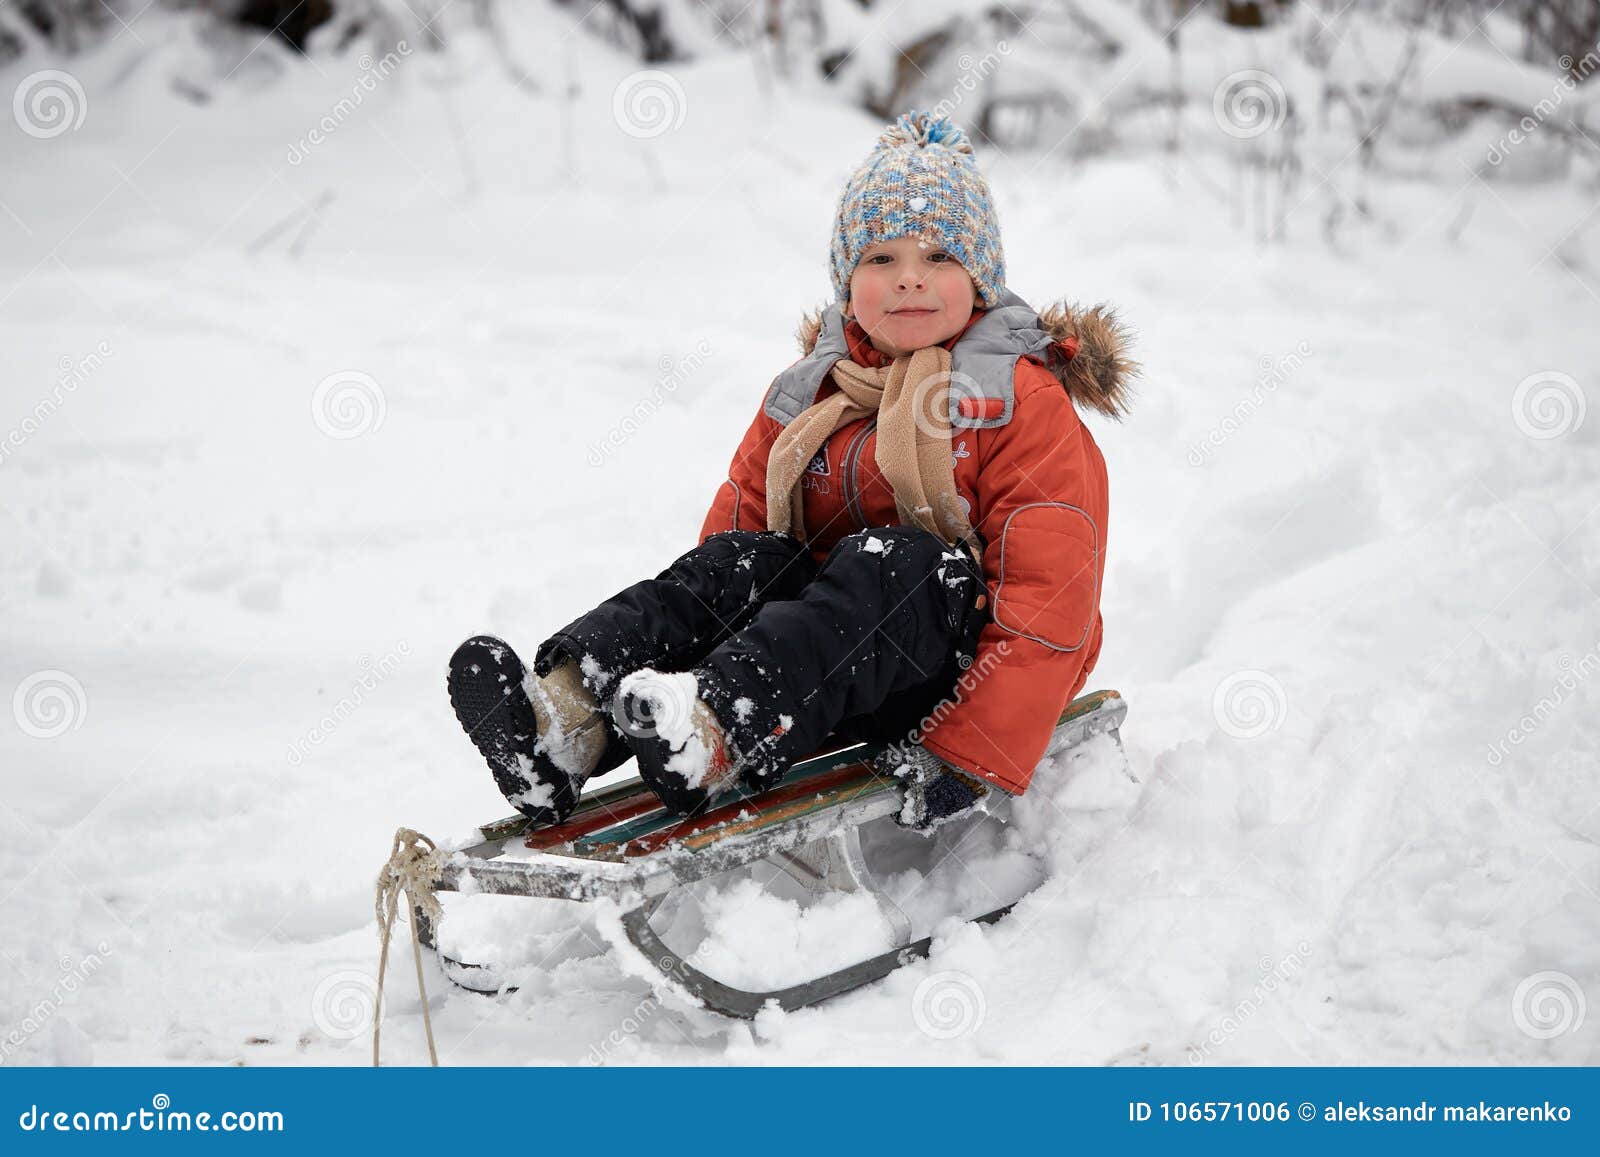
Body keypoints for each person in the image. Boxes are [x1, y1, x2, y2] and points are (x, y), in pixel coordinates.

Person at [447, 110, 1134, 833]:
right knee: (738, 563)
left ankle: (714, 729)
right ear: (847, 280)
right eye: (880, 259)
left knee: (896, 560)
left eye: (938, 257)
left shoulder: (1017, 399)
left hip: (954, 677)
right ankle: (563, 725)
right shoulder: (811, 394)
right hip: (816, 664)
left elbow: (1050, 595)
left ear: (981, 276)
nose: (909, 280)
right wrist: (701, 632)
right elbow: (723, 559)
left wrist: (973, 749)